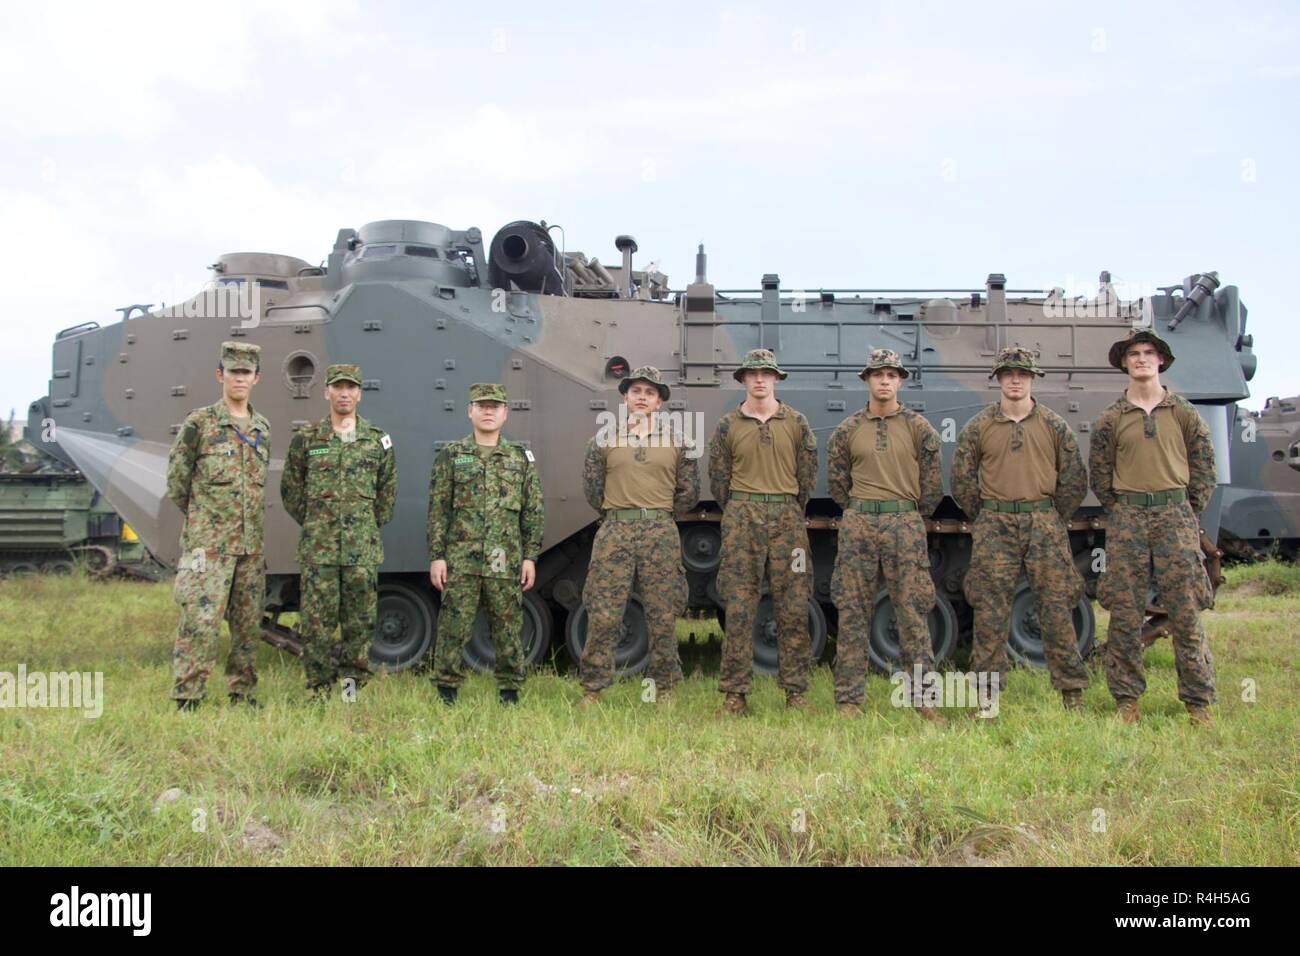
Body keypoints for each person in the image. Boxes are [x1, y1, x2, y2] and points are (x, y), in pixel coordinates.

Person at [950, 347, 1089, 716]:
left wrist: (1051, 514)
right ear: (998, 378)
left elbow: (1074, 479)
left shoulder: (1054, 425)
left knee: (1056, 608)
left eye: (1022, 374)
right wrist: (986, 515)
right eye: (1008, 373)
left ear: (1032, 379)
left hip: (1043, 522)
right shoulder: (979, 427)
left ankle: (1071, 693)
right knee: (990, 611)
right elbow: (962, 480)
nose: (1015, 379)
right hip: (995, 523)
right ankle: (986, 698)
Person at [1089, 330, 1217, 725]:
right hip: (1127, 518)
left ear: (1161, 361)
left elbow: (1204, 468)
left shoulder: (1184, 413)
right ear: (1124, 363)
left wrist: (1181, 508)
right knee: (1125, 614)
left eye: (1149, 353)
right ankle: (1126, 700)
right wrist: (1125, 508)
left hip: (1174, 515)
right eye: (1134, 354)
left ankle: (1197, 701)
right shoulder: (1111, 418)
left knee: (1185, 610)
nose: (1141, 359)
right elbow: (1100, 474)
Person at [826, 348, 945, 722]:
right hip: (859, 521)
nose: (884, 381)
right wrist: (864, 508)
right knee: (853, 610)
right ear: (866, 380)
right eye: (877, 374)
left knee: (912, 611)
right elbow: (837, 483)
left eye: (891, 375)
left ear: (900, 381)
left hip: (904, 523)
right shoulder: (847, 430)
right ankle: (849, 699)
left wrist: (905, 512)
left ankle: (923, 699)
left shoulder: (918, 428)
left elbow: (932, 486)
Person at [578, 366, 699, 706]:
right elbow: (592, 490)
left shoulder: (679, 441)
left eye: (650, 392)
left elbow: (688, 492)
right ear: (625, 398)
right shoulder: (602, 440)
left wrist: (657, 515)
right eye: (636, 391)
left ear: (659, 401)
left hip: (659, 531)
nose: (642, 397)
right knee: (604, 612)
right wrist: (620, 514)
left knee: (662, 613)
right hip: (615, 530)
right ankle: (594, 688)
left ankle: (665, 688)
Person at [708, 349, 817, 715]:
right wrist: (741, 507)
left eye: (766, 374)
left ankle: (795, 691)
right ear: (742, 379)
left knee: (793, 606)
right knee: (739, 606)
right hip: (742, 515)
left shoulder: (797, 423)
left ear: (776, 379)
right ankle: (735, 693)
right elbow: (719, 479)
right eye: (752, 374)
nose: (759, 380)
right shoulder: (728, 425)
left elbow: (807, 477)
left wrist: (787, 506)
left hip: (787, 517)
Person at [281, 364, 396, 702]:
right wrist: (318, 522)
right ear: (326, 392)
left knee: (359, 623)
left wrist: (363, 526)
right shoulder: (307, 439)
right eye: (338, 387)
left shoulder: (378, 440)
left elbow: (386, 494)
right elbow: (291, 491)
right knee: (317, 623)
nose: (344, 393)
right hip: (320, 551)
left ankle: (350, 691)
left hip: (362, 550)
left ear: (359, 393)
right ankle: (317, 689)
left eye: (351, 387)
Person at [165, 341, 270, 711]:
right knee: (200, 621)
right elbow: (178, 483)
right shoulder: (200, 424)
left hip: (250, 548)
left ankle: (242, 693)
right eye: (233, 371)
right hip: (206, 548)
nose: (239, 378)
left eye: (246, 372)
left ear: (256, 378)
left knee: (246, 626)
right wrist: (205, 523)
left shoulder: (262, 428)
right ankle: (188, 696)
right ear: (220, 375)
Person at [427, 383, 544, 704]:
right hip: (461, 557)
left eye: (495, 406)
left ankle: (509, 691)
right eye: (482, 405)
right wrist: (437, 556)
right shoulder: (452, 456)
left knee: (507, 625)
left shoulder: (520, 458)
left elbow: (533, 510)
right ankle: (446, 690)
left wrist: (530, 556)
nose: (488, 411)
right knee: (454, 623)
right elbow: (439, 510)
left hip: (503, 557)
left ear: (505, 413)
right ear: (470, 411)